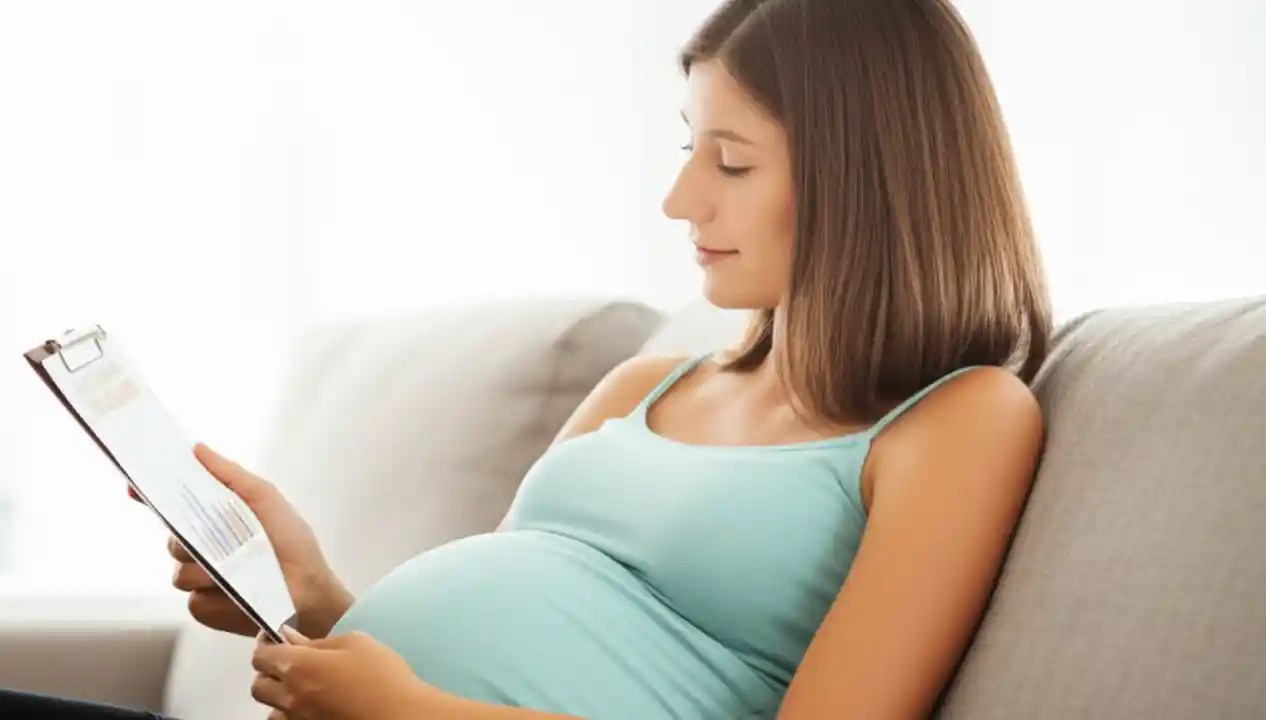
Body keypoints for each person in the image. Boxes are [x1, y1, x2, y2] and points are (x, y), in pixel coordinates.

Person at [1, 0, 1051, 717]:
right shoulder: (648, 383)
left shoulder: (958, 420)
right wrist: (310, 593)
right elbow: (486, 649)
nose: (680, 201)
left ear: (866, 179)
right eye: (686, 147)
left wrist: (412, 714)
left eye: (729, 161)